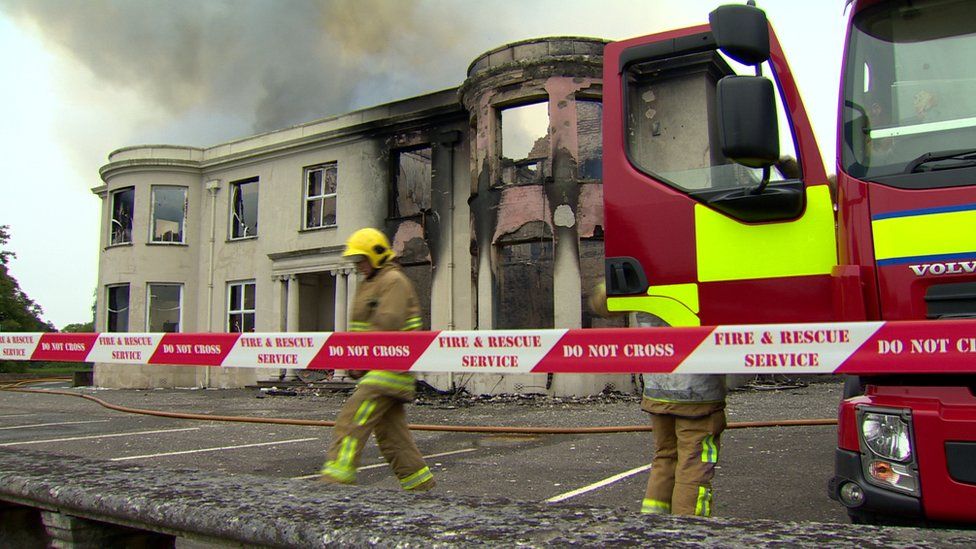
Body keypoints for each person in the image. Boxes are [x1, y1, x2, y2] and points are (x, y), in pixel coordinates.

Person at [589, 283, 727, 517]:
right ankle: (689, 529)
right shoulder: (696, 277)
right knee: (693, 466)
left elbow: (603, 302)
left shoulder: (645, 277)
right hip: (698, 393)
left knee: (665, 458)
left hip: (658, 389)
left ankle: (653, 524)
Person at [318, 227, 434, 491]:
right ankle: (421, 488)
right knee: (393, 437)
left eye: (362, 259)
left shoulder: (393, 280)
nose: (358, 265)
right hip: (377, 368)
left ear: (377, 254)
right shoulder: (373, 282)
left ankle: (335, 481)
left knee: (352, 419)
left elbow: (385, 325)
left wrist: (360, 361)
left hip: (389, 369)